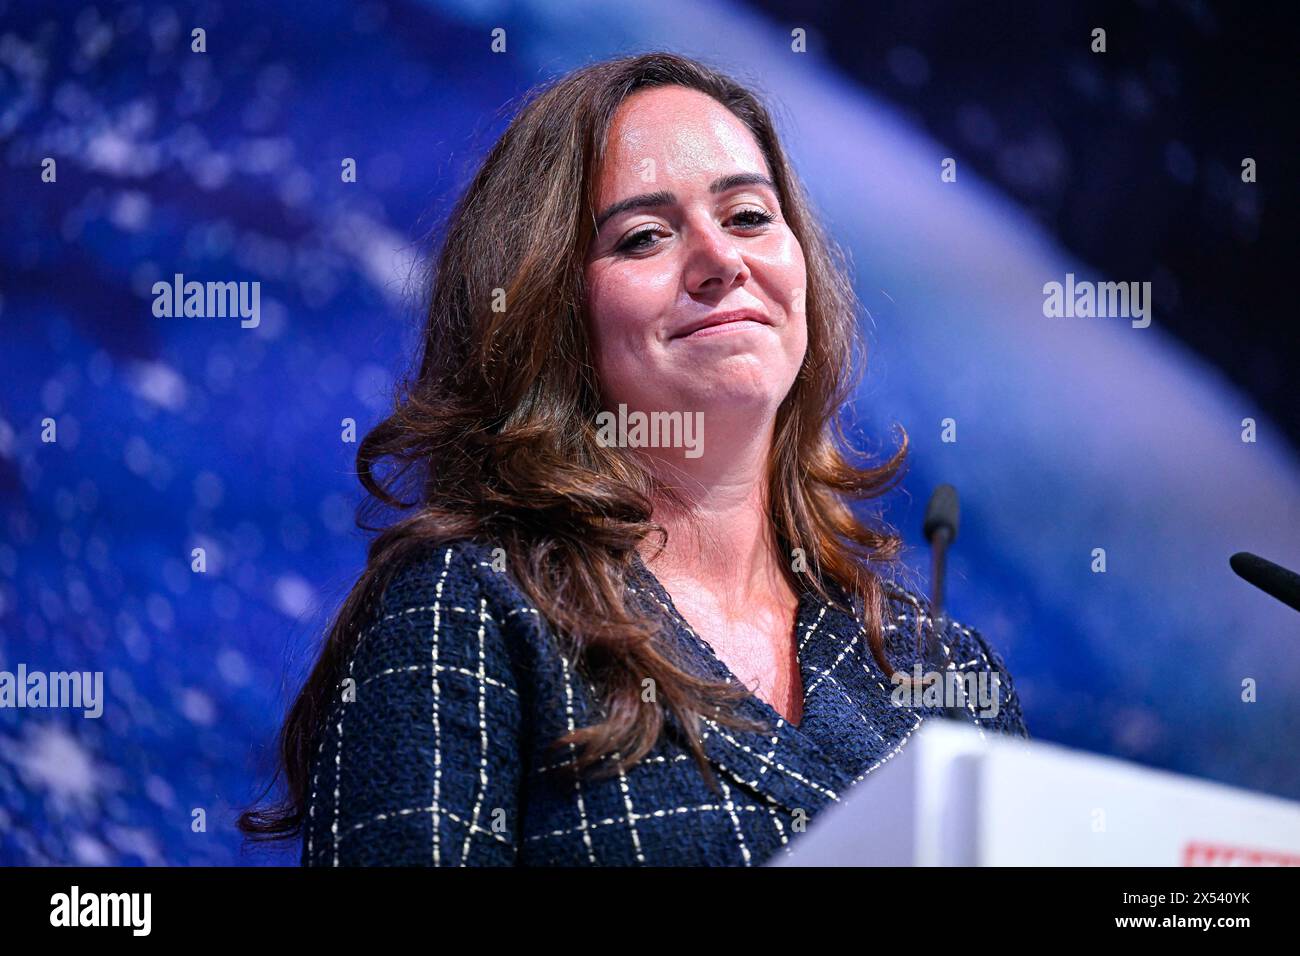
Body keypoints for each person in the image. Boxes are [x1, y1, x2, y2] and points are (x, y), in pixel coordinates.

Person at [238, 51, 1027, 866]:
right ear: (551, 313)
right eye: (645, 236)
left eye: (750, 216)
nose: (723, 261)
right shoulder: (467, 610)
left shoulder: (943, 671)